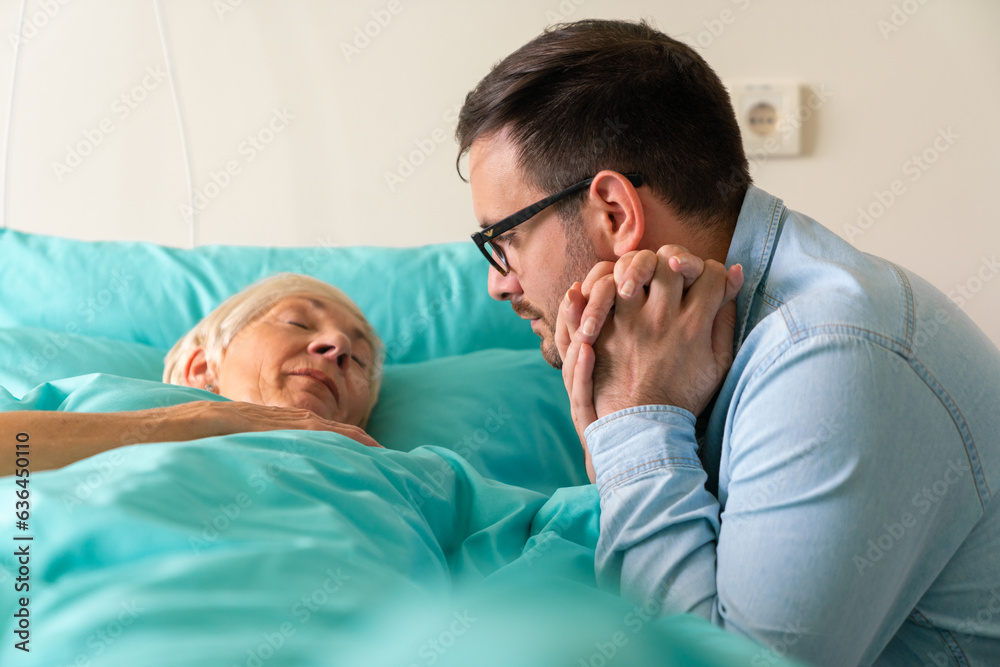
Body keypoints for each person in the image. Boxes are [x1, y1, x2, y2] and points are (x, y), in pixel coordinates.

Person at [456, 18, 1000, 666]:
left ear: (614, 214)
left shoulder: (827, 356)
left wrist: (634, 425)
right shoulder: (694, 343)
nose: (497, 283)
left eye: (503, 239)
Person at [0, 273, 384, 476]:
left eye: (361, 360)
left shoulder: (397, 472)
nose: (339, 346)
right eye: (298, 322)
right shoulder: (86, 399)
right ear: (201, 369)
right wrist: (208, 420)